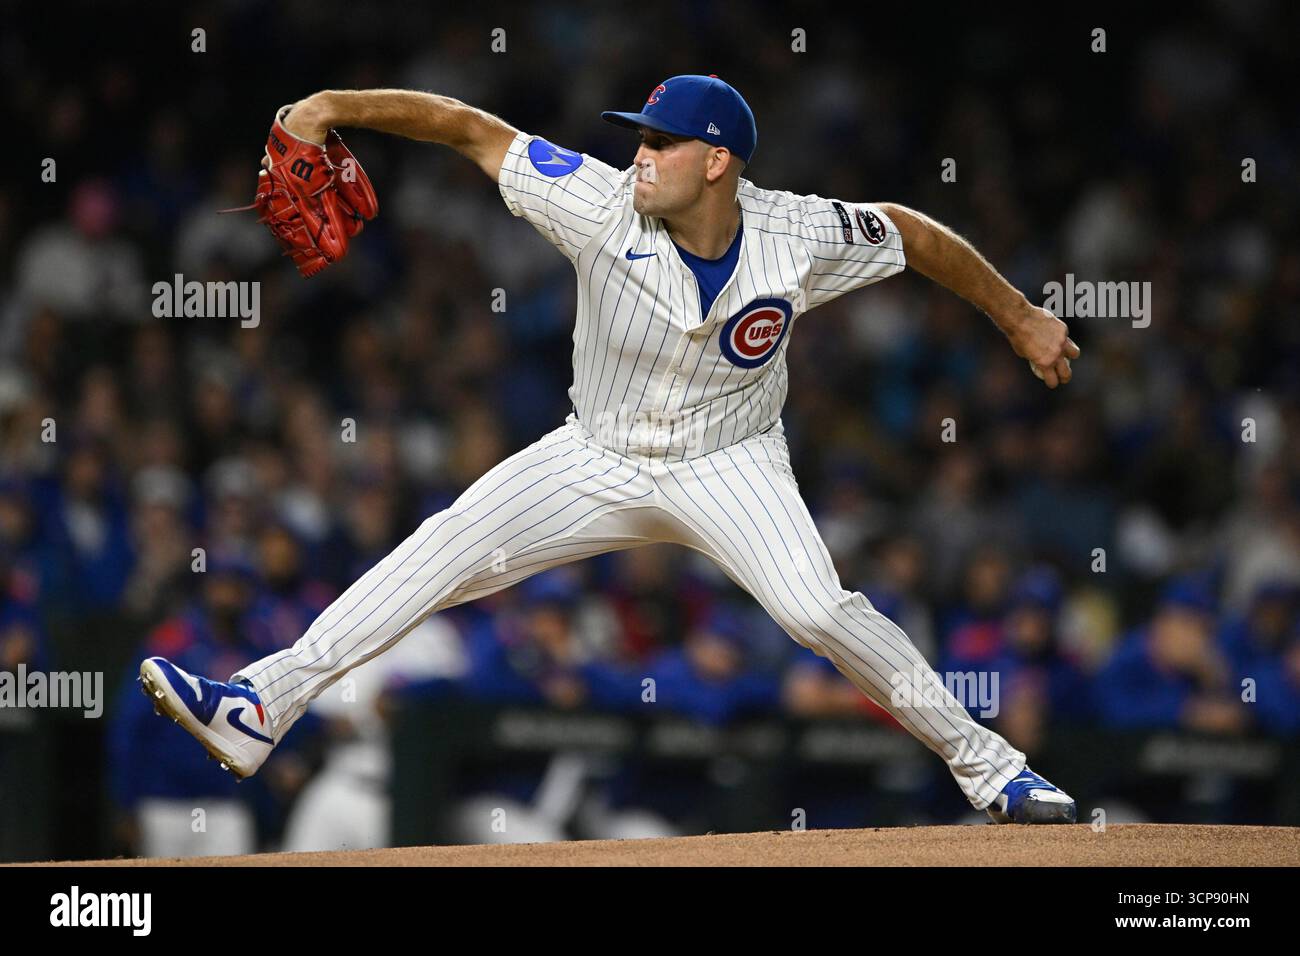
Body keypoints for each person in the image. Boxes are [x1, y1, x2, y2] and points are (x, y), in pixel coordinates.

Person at [139, 75, 1081, 825]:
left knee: (819, 610)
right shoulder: (595, 202)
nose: (639, 153)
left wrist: (1021, 317)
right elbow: (468, 126)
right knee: (447, 542)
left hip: (731, 460)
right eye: (639, 135)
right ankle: (261, 704)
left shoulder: (797, 233)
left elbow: (912, 234)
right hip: (597, 455)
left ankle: (995, 771)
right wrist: (330, 108)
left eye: (660, 142)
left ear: (718, 162)